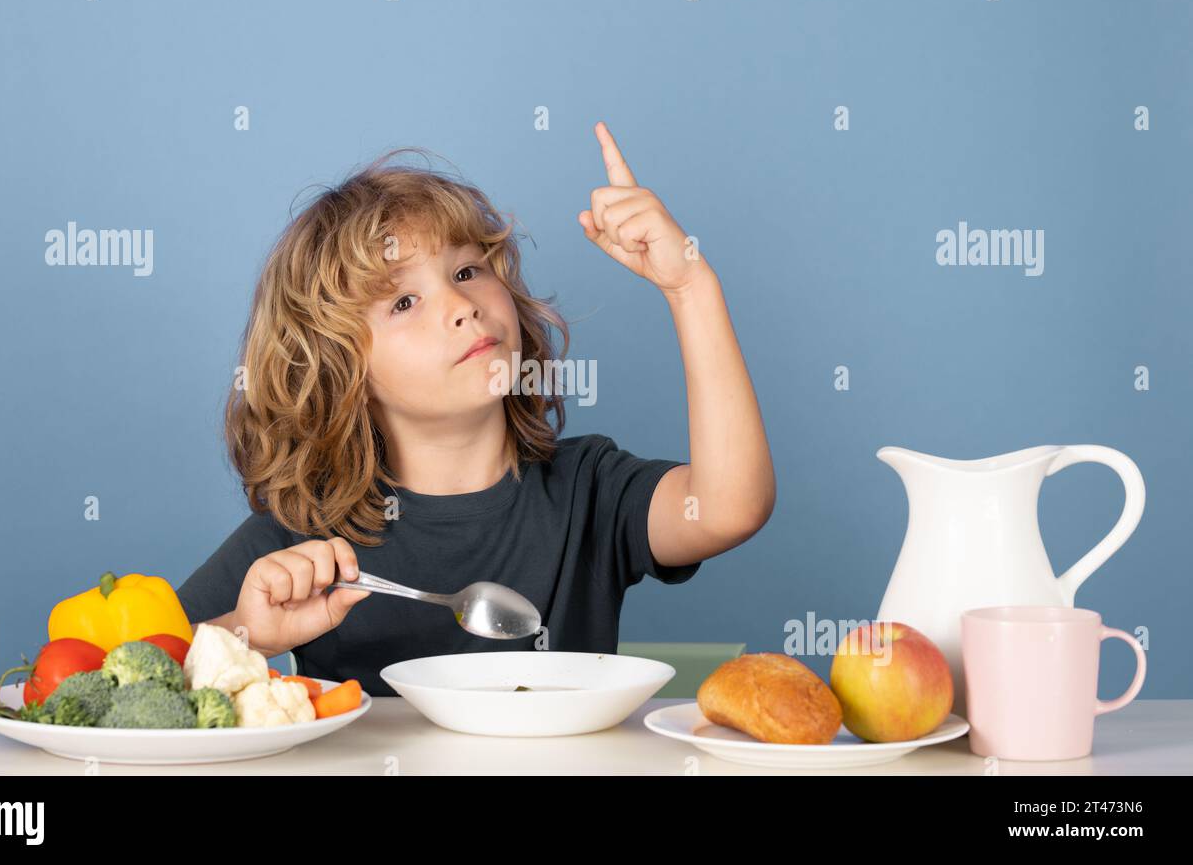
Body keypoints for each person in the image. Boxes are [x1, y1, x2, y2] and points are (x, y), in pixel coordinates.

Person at [176, 122, 775, 696]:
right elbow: (122, 674)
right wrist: (246, 632)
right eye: (405, 301)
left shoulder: (590, 491)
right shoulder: (303, 531)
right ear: (340, 372)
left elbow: (731, 509)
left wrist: (690, 287)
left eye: (467, 270)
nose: (461, 305)